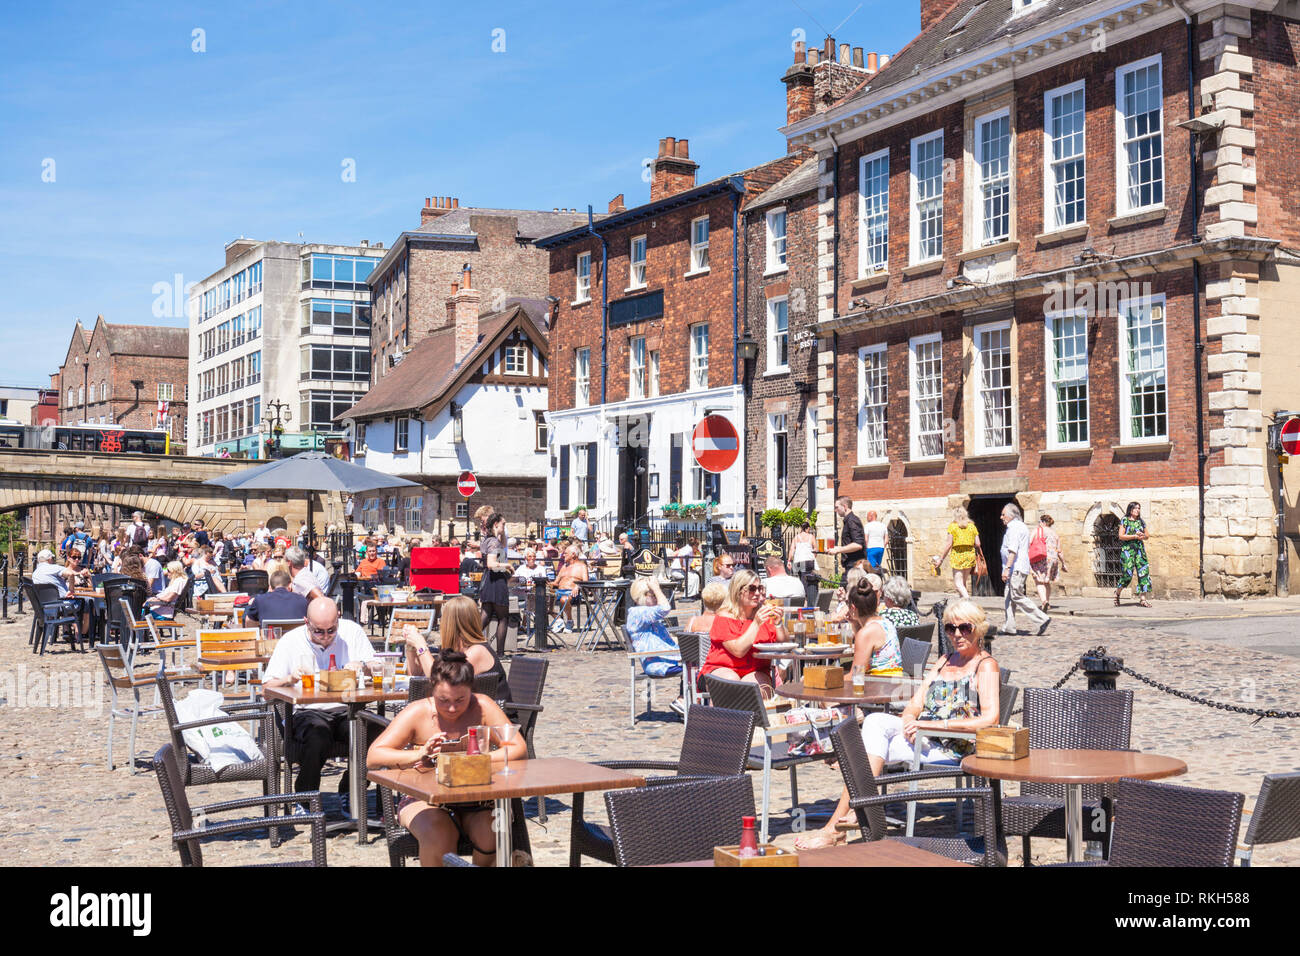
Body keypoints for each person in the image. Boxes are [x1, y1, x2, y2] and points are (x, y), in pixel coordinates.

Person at [796, 598, 1000, 849]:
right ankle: (851, 817)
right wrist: (909, 720)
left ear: (978, 629)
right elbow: (915, 704)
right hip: (924, 738)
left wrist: (931, 727)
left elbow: (990, 719)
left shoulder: (985, 666)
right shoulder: (945, 660)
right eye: (950, 628)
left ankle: (840, 825)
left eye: (965, 628)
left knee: (862, 757)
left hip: (956, 747)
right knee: (873, 724)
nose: (957, 634)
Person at [366, 650, 526, 866]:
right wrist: (420, 754)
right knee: (439, 833)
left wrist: (478, 759)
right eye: (443, 700)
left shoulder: (483, 706)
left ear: (471, 690)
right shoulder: (418, 712)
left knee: (494, 831)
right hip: (424, 800)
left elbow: (518, 748)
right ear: (432, 689)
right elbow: (374, 756)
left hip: (477, 799)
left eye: (460, 700)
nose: (452, 708)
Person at [264, 598, 379, 796]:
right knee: (318, 735)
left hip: (348, 710)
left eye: (331, 630)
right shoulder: (290, 641)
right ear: (306, 622)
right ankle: (306, 798)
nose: (326, 637)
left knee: (377, 733)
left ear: (338, 619)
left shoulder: (351, 632)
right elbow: (266, 690)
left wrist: (363, 666)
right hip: (307, 712)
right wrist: (289, 679)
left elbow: (377, 666)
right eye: (318, 631)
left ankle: (351, 791)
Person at [402, 594, 511, 700]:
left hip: (492, 712)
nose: (440, 623)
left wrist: (421, 645)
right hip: (464, 710)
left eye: (442, 619)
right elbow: (417, 675)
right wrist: (411, 647)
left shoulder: (478, 651)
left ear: (450, 624)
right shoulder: (456, 650)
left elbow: (440, 683)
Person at [699, 570, 788, 697]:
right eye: (752, 589)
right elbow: (738, 651)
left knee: (755, 689)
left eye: (760, 588)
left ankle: (758, 712)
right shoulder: (724, 617)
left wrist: (778, 623)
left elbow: (784, 644)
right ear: (738, 591)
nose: (757, 593)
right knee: (732, 682)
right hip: (720, 669)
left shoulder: (764, 613)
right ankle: (722, 711)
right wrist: (756, 623)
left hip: (757, 670)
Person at [624, 577, 684, 711]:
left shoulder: (647, 614)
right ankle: (683, 701)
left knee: (702, 663)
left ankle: (687, 702)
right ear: (642, 596)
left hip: (666, 658)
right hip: (658, 663)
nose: (657, 597)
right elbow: (665, 608)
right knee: (700, 670)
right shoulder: (638, 613)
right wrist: (656, 588)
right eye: (653, 594)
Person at [1000, 503, 1050, 635]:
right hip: (1017, 567)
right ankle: (1009, 626)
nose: (1001, 517)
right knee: (1008, 597)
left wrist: (1007, 568)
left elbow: (1013, 550)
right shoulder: (1020, 526)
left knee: (1016, 595)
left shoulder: (1014, 528)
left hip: (1015, 568)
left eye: (1003, 515)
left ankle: (1042, 619)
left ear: (1011, 515)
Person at [32, 548, 92, 638]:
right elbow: (70, 574)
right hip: (62, 605)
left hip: (44, 607)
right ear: (50, 559)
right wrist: (71, 591)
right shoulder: (54, 568)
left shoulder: (35, 573)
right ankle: (80, 633)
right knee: (87, 602)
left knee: (83, 601)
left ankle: (73, 631)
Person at [478, 513, 513, 657]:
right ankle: (500, 653)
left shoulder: (489, 540)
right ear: (496, 524)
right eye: (503, 524)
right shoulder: (494, 542)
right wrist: (508, 566)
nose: (505, 526)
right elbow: (491, 564)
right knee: (503, 618)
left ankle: (466, 643)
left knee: (485, 615)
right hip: (496, 580)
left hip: (488, 580)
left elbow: (503, 546)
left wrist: (502, 533)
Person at [933, 506, 980, 599]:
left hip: (957, 556)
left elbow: (949, 544)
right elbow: (978, 543)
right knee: (963, 583)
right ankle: (963, 604)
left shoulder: (953, 526)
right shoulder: (972, 526)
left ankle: (968, 600)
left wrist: (941, 559)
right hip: (969, 555)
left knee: (958, 584)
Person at [1116, 501, 1152, 608]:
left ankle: (1143, 599)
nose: (1137, 510)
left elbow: (1147, 536)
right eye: (1135, 508)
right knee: (1127, 575)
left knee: (1144, 573)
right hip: (1128, 551)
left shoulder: (1141, 521)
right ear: (1130, 509)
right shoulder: (1125, 520)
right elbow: (1121, 536)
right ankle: (1117, 593)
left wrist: (1142, 535)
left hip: (1140, 551)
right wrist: (1134, 536)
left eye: (1139, 508)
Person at [244, 568, 309, 624]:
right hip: (295, 635)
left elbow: (248, 621)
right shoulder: (303, 601)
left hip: (270, 635)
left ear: (270, 587)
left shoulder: (260, 600)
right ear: (290, 585)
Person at [1031, 514, 1067, 611]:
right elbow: (1059, 551)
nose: (1039, 524)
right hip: (1053, 560)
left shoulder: (1037, 530)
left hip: (1041, 557)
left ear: (1043, 522)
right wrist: (1064, 563)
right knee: (1046, 581)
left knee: (1039, 581)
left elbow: (1029, 543)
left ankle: (1044, 602)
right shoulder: (1055, 534)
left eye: (1039, 522)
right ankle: (1047, 602)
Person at [551, 544, 588, 633]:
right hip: (559, 591)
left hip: (572, 593)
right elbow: (556, 582)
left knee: (564, 599)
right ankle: (559, 620)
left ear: (573, 554)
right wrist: (546, 583)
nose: (563, 555)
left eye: (566, 553)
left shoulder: (582, 566)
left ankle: (570, 621)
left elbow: (585, 581)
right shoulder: (564, 566)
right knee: (542, 599)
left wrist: (577, 586)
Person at [829, 496, 866, 573]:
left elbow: (858, 545)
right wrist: (836, 548)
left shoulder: (852, 521)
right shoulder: (849, 521)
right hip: (851, 565)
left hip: (855, 566)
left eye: (837, 507)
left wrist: (838, 550)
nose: (835, 510)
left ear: (845, 507)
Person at [790, 522, 818, 606]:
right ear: (807, 528)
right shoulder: (811, 537)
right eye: (809, 528)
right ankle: (807, 600)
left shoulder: (796, 537)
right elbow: (815, 549)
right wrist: (813, 557)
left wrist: (789, 560)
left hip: (798, 561)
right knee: (807, 580)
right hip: (808, 560)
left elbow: (792, 550)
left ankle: (803, 599)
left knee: (801, 579)